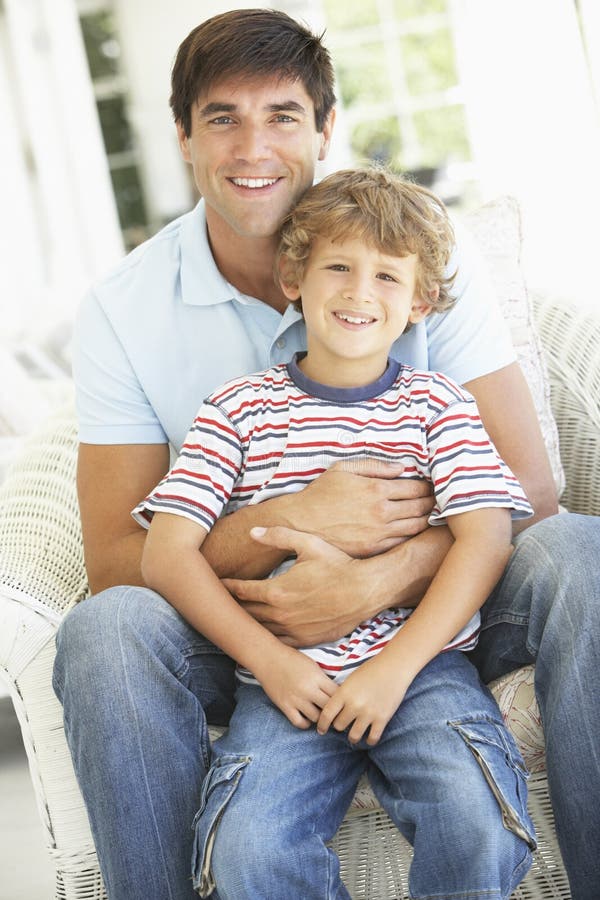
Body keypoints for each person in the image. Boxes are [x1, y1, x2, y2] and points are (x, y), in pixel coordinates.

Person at [51, 8, 599, 900]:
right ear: (184, 134)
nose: (252, 146)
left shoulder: (409, 254)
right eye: (222, 117)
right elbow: (120, 564)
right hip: (248, 639)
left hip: (437, 618)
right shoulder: (129, 311)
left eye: (283, 116)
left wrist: (376, 581)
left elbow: (525, 494)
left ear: (324, 129)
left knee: (582, 553)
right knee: (102, 633)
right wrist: (282, 526)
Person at [134, 166, 537, 898]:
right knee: (249, 853)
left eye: (388, 277)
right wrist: (271, 662)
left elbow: (486, 535)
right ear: (295, 276)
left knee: (476, 818)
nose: (359, 292)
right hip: (283, 687)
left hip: (421, 674)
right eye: (339, 267)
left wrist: (393, 670)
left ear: (421, 303)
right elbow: (166, 554)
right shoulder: (236, 410)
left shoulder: (436, 406)